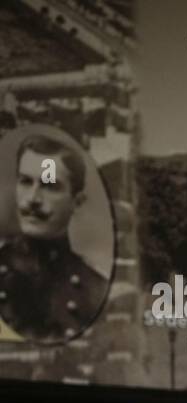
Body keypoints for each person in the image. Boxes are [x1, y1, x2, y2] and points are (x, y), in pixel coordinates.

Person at [0, 134, 109, 343]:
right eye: (25, 182)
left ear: (77, 202)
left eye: (49, 186)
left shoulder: (94, 290)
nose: (33, 199)